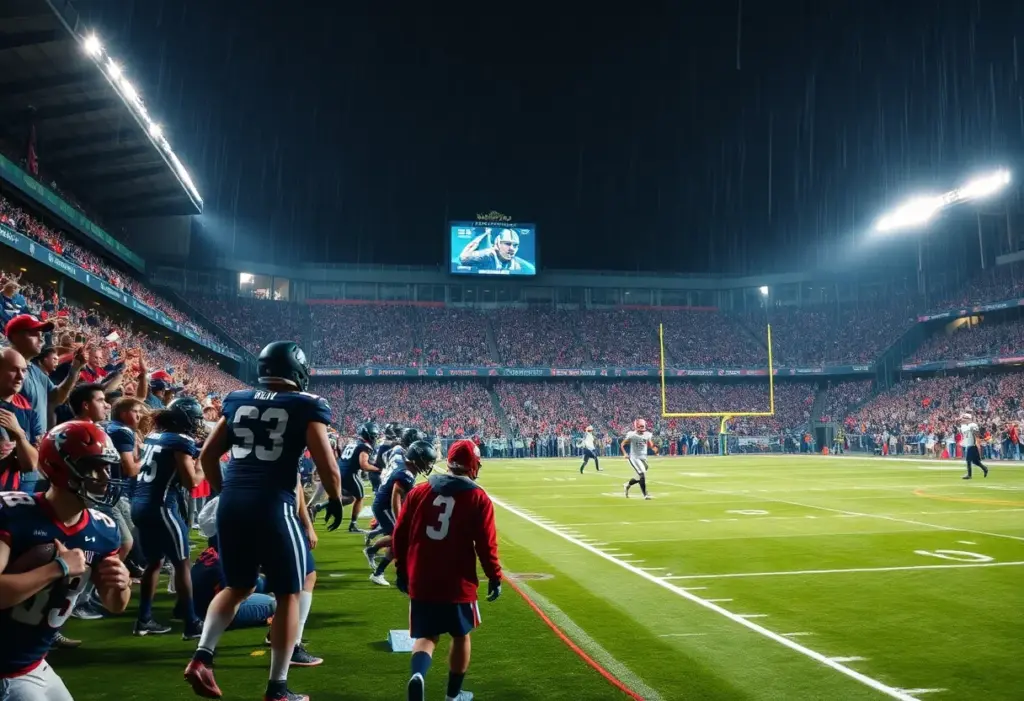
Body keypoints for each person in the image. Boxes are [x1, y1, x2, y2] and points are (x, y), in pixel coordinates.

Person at [184, 341, 343, 701]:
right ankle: (278, 687)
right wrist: (334, 498)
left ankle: (202, 656)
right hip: (274, 504)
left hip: (232, 504)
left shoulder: (238, 398)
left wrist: (226, 491)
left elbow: (208, 456)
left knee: (236, 586)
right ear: (298, 371)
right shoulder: (307, 404)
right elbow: (326, 463)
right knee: (290, 591)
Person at [0, 421, 131, 699]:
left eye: (107, 467)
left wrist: (121, 584)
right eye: (94, 467)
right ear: (59, 469)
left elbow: (115, 604)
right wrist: (57, 568)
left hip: (33, 663)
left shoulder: (102, 528)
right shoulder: (13, 513)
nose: (105, 477)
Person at [393, 439, 502, 701]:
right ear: (473, 464)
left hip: (421, 576)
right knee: (461, 635)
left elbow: (400, 533)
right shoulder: (478, 498)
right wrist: (494, 576)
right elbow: (486, 545)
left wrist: (400, 568)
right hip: (457, 581)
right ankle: (453, 695)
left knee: (426, 635)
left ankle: (418, 675)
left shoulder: (419, 491)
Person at [131, 397, 206, 639]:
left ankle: (143, 620)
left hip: (140, 505)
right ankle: (192, 622)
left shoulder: (155, 436)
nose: (197, 424)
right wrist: (203, 461)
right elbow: (191, 481)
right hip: (162, 507)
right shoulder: (180, 441)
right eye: (194, 419)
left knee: (154, 562)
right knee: (182, 563)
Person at [192, 497, 276, 629]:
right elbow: (236, 593)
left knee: (261, 582)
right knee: (275, 602)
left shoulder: (210, 552)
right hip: (218, 612)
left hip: (203, 604)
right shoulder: (230, 553)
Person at [364, 438, 436, 587]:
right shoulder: (406, 473)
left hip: (383, 504)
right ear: (417, 459)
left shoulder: (406, 467)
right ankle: (378, 570)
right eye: (427, 461)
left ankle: (374, 556)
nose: (428, 465)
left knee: (398, 538)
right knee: (400, 537)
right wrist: (400, 521)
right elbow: (395, 496)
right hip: (385, 506)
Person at [0, 348, 40, 493]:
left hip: (11, 493)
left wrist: (19, 434)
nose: (21, 376)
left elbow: (31, 464)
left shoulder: (27, 408)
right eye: (14, 370)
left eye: (24, 371)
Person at [338, 422, 380, 534]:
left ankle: (318, 507)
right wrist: (379, 469)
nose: (374, 438)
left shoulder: (352, 443)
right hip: (350, 473)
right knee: (360, 497)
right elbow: (364, 465)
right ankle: (353, 525)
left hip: (341, 471)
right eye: (373, 435)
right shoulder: (364, 446)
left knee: (350, 498)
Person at [622, 418, 658, 500]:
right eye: (640, 427)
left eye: (643, 427)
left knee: (639, 476)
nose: (642, 429)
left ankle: (627, 484)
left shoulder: (647, 434)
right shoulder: (632, 435)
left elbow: (650, 443)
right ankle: (645, 494)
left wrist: (654, 448)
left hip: (643, 457)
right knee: (642, 474)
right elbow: (622, 444)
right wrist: (625, 453)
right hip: (634, 457)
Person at [960, 412, 990, 480]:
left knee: (968, 460)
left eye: (964, 418)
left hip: (972, 445)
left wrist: (980, 441)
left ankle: (969, 475)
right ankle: (985, 468)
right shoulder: (964, 426)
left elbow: (977, 434)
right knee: (975, 461)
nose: (962, 419)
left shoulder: (973, 425)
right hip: (968, 444)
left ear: (968, 419)